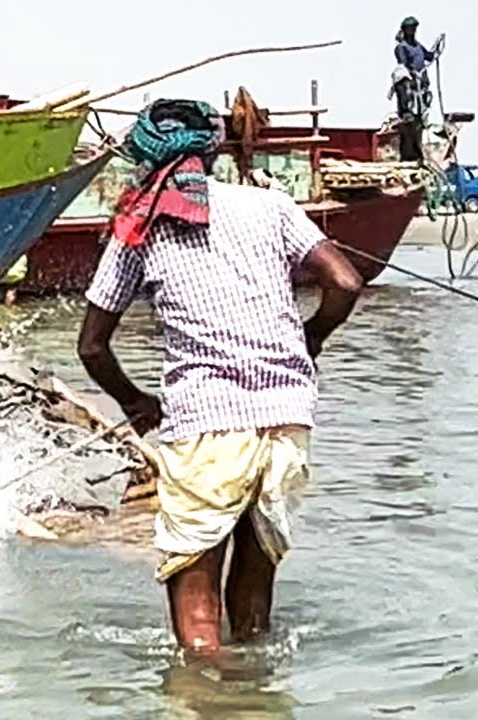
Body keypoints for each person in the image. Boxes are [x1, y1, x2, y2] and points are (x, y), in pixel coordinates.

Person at [76, 99, 364, 658]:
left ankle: (205, 700)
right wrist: (312, 338)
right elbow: (346, 283)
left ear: (145, 154)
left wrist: (134, 400)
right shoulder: (272, 206)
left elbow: (91, 347)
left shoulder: (139, 225)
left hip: (206, 424)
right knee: (254, 605)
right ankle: (255, 700)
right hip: (287, 421)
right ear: (213, 151)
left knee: (196, 607)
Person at [391, 16, 444, 162]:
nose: (412, 31)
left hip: (420, 87)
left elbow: (428, 56)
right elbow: (403, 63)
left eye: (414, 28)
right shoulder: (401, 47)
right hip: (409, 82)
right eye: (410, 28)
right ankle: (406, 113)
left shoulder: (417, 46)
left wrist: (437, 48)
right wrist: (413, 73)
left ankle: (417, 153)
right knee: (409, 120)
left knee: (419, 122)